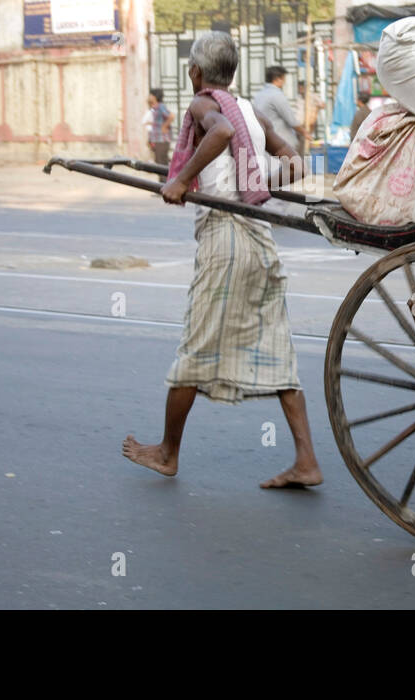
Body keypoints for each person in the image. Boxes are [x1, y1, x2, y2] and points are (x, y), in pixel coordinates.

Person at [122, 33, 322, 489]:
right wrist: (252, 181)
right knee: (276, 346)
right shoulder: (250, 110)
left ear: (195, 72)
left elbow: (221, 133)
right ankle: (306, 460)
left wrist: (184, 180)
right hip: (260, 240)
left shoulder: (204, 106)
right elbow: (296, 165)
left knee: (195, 346)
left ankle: (168, 453)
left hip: (225, 240)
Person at [252, 66, 306, 153]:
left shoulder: (259, 95)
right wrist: (305, 133)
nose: (284, 82)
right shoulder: (277, 95)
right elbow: (292, 121)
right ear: (277, 79)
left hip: (265, 142)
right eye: (284, 79)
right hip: (281, 143)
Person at [146, 87, 174, 165]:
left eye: (150, 95)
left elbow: (171, 116)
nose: (149, 97)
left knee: (161, 163)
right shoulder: (154, 108)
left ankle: (166, 177)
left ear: (155, 96)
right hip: (157, 140)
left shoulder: (160, 106)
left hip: (162, 140)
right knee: (159, 161)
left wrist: (164, 127)